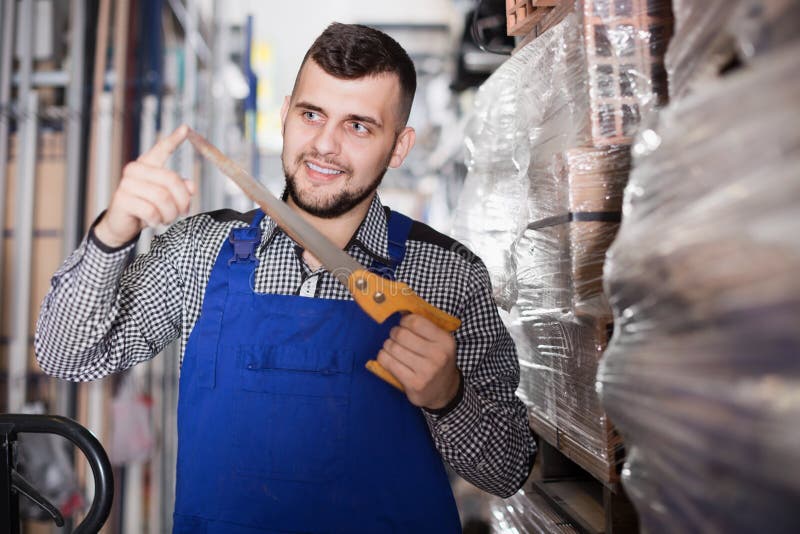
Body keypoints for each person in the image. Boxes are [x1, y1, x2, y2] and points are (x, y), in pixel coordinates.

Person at [35, 23, 536, 533]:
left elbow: (508, 470)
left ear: (399, 146)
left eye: (359, 126)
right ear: (285, 115)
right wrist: (114, 230)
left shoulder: (449, 275)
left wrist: (448, 397)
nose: (324, 145)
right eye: (311, 114)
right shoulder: (198, 253)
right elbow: (65, 353)